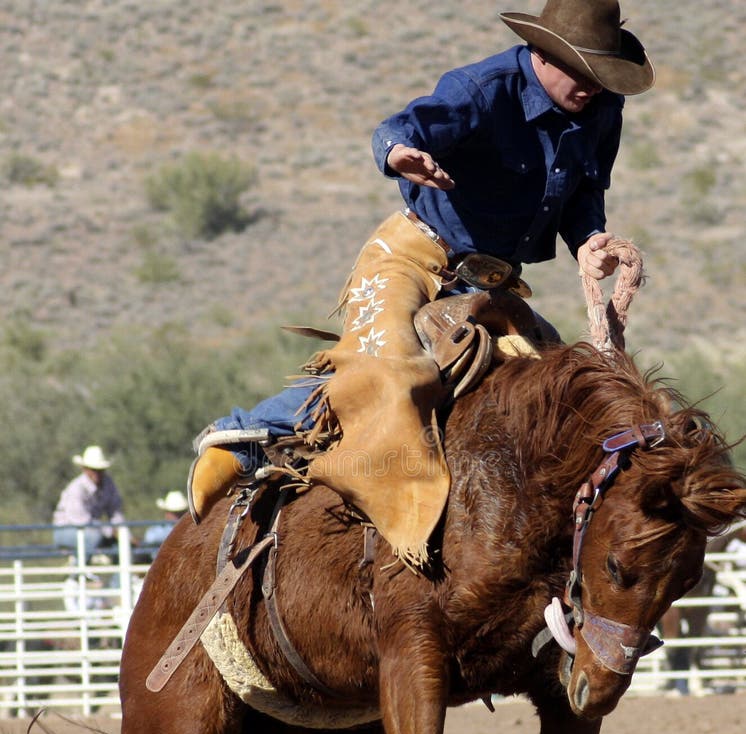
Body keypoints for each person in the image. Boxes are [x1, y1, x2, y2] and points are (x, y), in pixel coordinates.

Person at [188, 0, 654, 566]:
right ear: (542, 55)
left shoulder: (601, 109)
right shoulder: (482, 88)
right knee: (388, 367)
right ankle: (243, 438)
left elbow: (584, 195)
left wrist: (590, 240)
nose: (593, 88)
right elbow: (399, 128)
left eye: (601, 77)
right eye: (583, 74)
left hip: (492, 284)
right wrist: (401, 154)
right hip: (414, 253)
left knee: (564, 394)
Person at [53, 445, 125, 558]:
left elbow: (115, 512)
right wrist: (111, 532)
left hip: (94, 529)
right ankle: (77, 573)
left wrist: (123, 534)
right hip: (66, 530)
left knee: (122, 547)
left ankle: (119, 575)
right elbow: (81, 521)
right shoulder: (76, 488)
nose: (96, 473)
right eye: (93, 469)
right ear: (84, 469)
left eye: (99, 470)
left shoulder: (108, 484)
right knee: (93, 538)